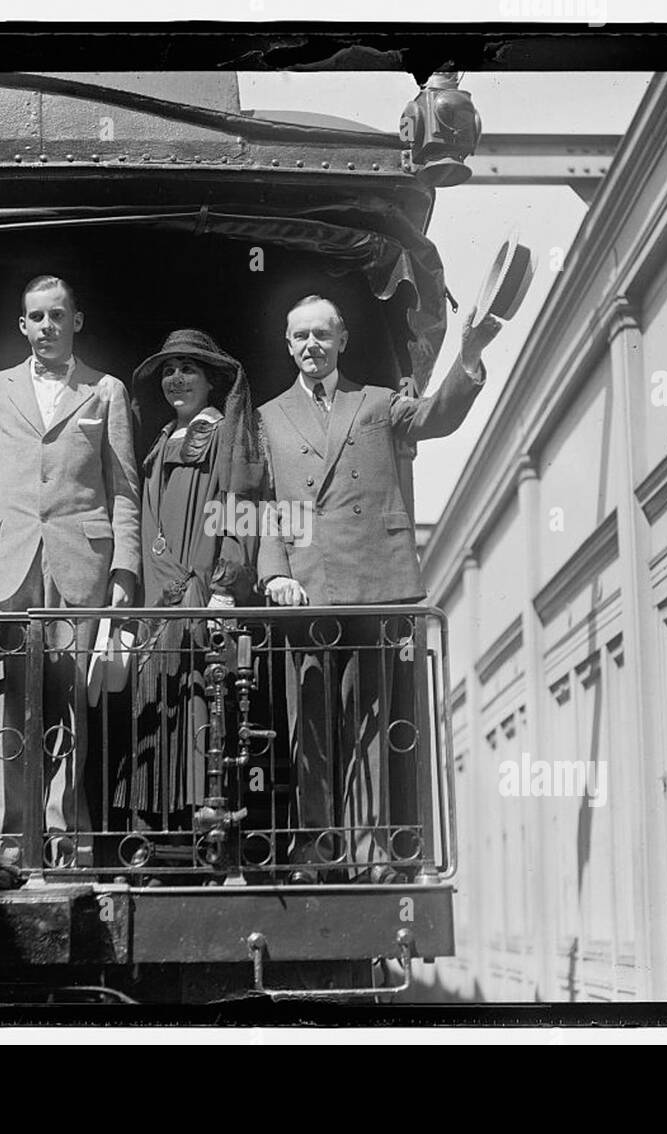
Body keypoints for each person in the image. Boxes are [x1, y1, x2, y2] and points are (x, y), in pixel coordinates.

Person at [259, 294, 501, 883]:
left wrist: (466, 358)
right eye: (300, 337)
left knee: (372, 723)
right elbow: (267, 505)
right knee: (311, 723)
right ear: (287, 346)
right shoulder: (268, 416)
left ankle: (370, 852)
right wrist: (274, 572)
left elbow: (435, 417)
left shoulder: (376, 402)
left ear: (342, 339)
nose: (311, 345)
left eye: (322, 334)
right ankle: (316, 850)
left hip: (375, 583)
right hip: (309, 588)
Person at [0, 275, 139, 887]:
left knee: (66, 704)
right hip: (11, 566)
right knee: (7, 704)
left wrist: (122, 570)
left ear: (76, 320)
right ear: (22, 326)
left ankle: (63, 848)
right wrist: (15, 523)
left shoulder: (106, 390)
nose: (46, 327)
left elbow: (124, 491)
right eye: (35, 317)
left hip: (79, 566)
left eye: (57, 315)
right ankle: (6, 849)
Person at [111, 329, 265, 834]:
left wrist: (224, 584)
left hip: (199, 597)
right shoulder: (160, 441)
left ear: (212, 380)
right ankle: (153, 845)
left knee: (201, 713)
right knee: (155, 721)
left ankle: (205, 844)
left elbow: (239, 508)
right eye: (169, 370)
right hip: (157, 605)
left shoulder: (224, 433)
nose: (176, 379)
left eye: (188, 369)